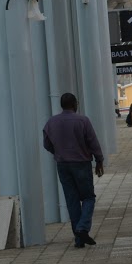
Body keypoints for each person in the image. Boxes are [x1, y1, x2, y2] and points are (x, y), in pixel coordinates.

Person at [43, 92, 106, 248]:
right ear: (75, 104)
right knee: (88, 197)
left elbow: (47, 144)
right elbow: (93, 141)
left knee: (72, 200)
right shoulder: (82, 120)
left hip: (63, 165)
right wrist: (99, 160)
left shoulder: (51, 122)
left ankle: (79, 239)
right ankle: (82, 228)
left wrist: (59, 153)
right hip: (81, 163)